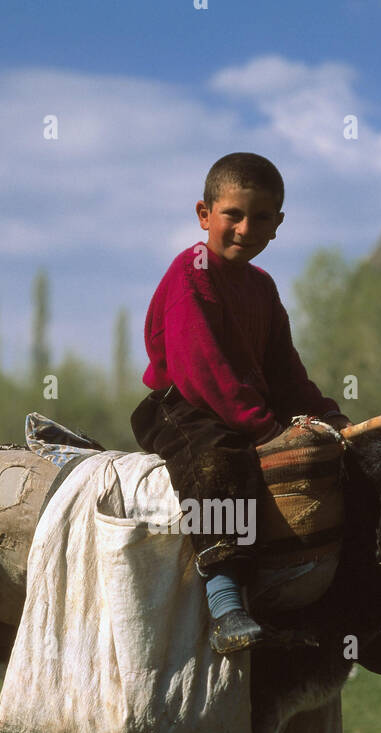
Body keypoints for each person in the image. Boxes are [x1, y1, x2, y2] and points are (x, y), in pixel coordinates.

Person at [131, 152, 350, 654]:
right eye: (233, 214)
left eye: (261, 217)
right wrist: (263, 427)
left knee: (340, 460)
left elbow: (284, 368)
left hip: (247, 406)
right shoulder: (193, 270)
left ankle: (345, 607)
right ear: (204, 215)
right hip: (184, 405)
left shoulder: (262, 286)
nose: (245, 227)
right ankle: (225, 596)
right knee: (218, 460)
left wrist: (324, 413)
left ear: (278, 225)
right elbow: (201, 366)